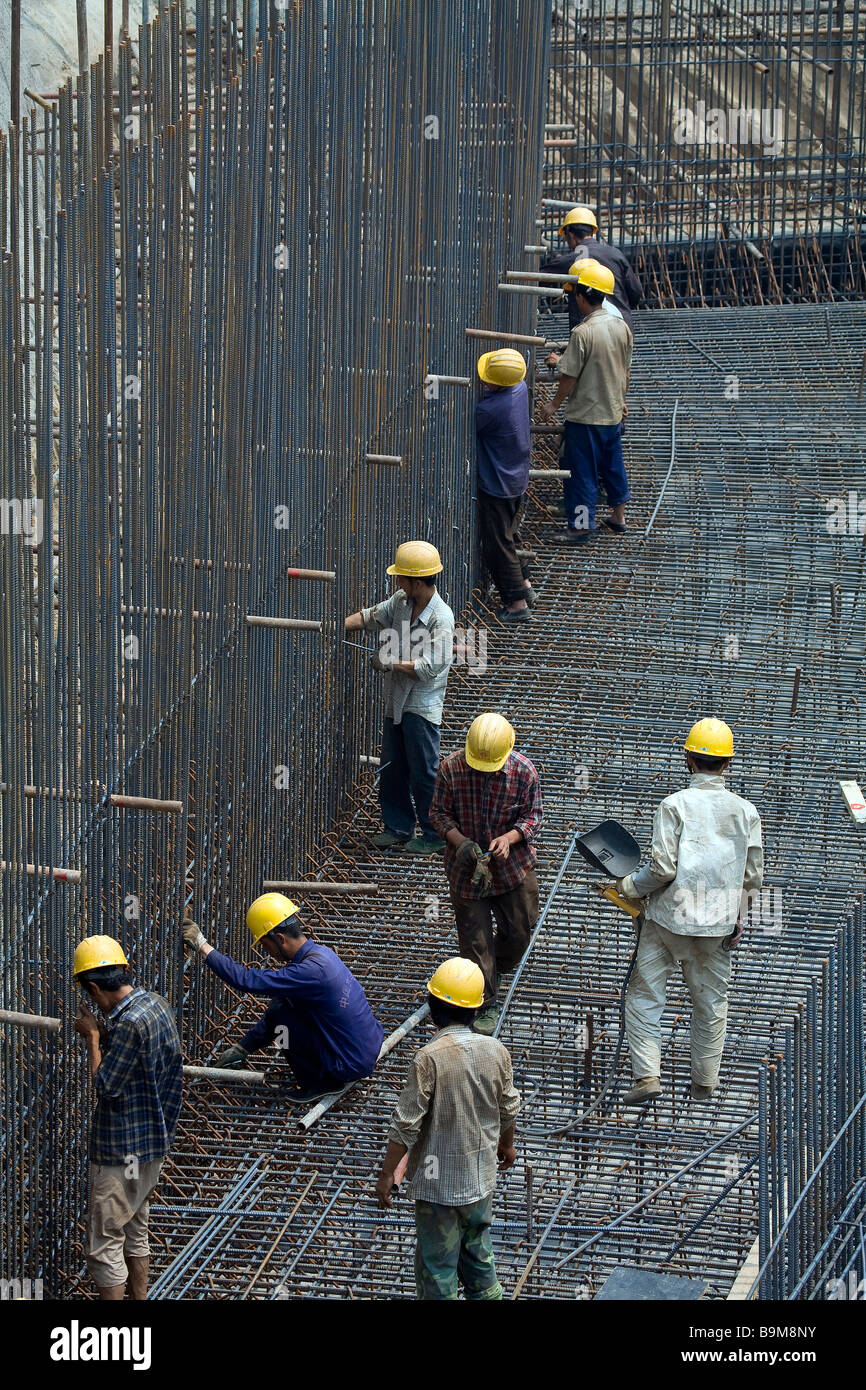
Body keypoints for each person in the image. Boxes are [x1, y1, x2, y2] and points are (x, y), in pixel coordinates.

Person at [613, 719, 764, 1105]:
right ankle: (704, 1084)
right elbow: (752, 877)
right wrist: (738, 919)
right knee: (711, 1003)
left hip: (668, 921)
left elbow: (663, 869)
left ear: (688, 759)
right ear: (727, 764)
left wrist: (629, 887)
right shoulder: (746, 812)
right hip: (717, 926)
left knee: (645, 995)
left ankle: (647, 1075)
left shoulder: (674, 805)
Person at [375, 957, 520, 1300]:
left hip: (437, 1187)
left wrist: (385, 1176)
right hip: (480, 1178)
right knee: (479, 1256)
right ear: (475, 1011)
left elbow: (405, 1126)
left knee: (437, 1269)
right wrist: (507, 1145)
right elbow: (509, 1107)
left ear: (432, 1006)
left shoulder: (429, 1058)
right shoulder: (496, 1050)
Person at [181, 892, 383, 1105]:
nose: (268, 954)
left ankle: (320, 1082)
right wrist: (244, 1047)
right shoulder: (321, 955)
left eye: (266, 946)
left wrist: (202, 944)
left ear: (280, 938)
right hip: (365, 1049)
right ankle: (323, 1070)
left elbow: (246, 980)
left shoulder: (309, 972)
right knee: (283, 1005)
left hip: (349, 1063)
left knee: (281, 1020)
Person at [72, 934, 182, 1301]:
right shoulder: (156, 1005)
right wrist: (108, 1038)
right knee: (135, 1230)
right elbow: (139, 1065)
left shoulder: (128, 1024)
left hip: (121, 1155)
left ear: (93, 988)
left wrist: (92, 1039)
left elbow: (106, 1086)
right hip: (150, 1150)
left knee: (104, 1247)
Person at [429, 713, 542, 1035]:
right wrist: (460, 842)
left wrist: (509, 838)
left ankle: (496, 968)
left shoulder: (523, 772)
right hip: (465, 872)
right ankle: (486, 999)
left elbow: (533, 817)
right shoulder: (451, 768)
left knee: (520, 932)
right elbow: (438, 813)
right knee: (476, 944)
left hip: (512, 869)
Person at [344, 540, 454, 855]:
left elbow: (429, 667)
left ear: (417, 581)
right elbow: (369, 617)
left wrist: (388, 662)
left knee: (423, 771)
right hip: (395, 703)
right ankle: (398, 828)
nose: (397, 582)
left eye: (401, 578)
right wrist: (338, 626)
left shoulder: (441, 619)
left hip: (421, 707)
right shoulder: (401, 602)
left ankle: (433, 834)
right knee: (392, 767)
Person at [539, 260, 632, 543]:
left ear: (581, 295)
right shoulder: (620, 326)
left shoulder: (583, 332)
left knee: (582, 474)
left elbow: (570, 376)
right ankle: (618, 518)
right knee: (613, 466)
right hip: (612, 414)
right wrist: (621, 400)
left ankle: (580, 527)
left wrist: (553, 405)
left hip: (586, 418)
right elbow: (625, 369)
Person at [475, 348, 535, 625]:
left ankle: (516, 603)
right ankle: (525, 585)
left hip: (497, 485)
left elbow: (472, 422)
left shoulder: (490, 409)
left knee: (499, 545)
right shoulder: (520, 388)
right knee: (509, 534)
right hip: (517, 477)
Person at [540, 204, 642, 343]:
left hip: (590, 336)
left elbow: (538, 277)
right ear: (592, 231)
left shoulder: (574, 259)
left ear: (570, 235)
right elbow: (635, 294)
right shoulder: (615, 253)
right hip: (623, 330)